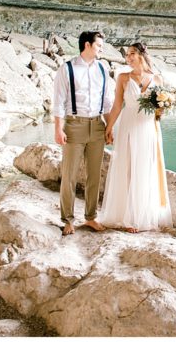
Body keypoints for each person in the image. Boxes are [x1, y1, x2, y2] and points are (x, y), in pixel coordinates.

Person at [100, 42, 173, 232]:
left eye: (132, 54)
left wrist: (162, 109)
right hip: (128, 125)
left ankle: (144, 215)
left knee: (146, 168)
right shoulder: (123, 78)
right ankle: (128, 218)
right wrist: (109, 127)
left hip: (149, 128)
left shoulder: (157, 78)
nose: (128, 58)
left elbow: (159, 112)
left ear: (141, 55)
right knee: (128, 167)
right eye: (126, 55)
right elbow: (117, 106)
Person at [52, 30, 116, 236]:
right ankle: (68, 220)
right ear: (87, 45)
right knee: (69, 175)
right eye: (98, 45)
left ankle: (90, 217)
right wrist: (58, 129)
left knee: (94, 176)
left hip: (97, 125)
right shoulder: (67, 68)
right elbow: (59, 101)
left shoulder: (102, 69)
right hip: (74, 125)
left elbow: (106, 101)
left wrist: (109, 128)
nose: (101, 49)